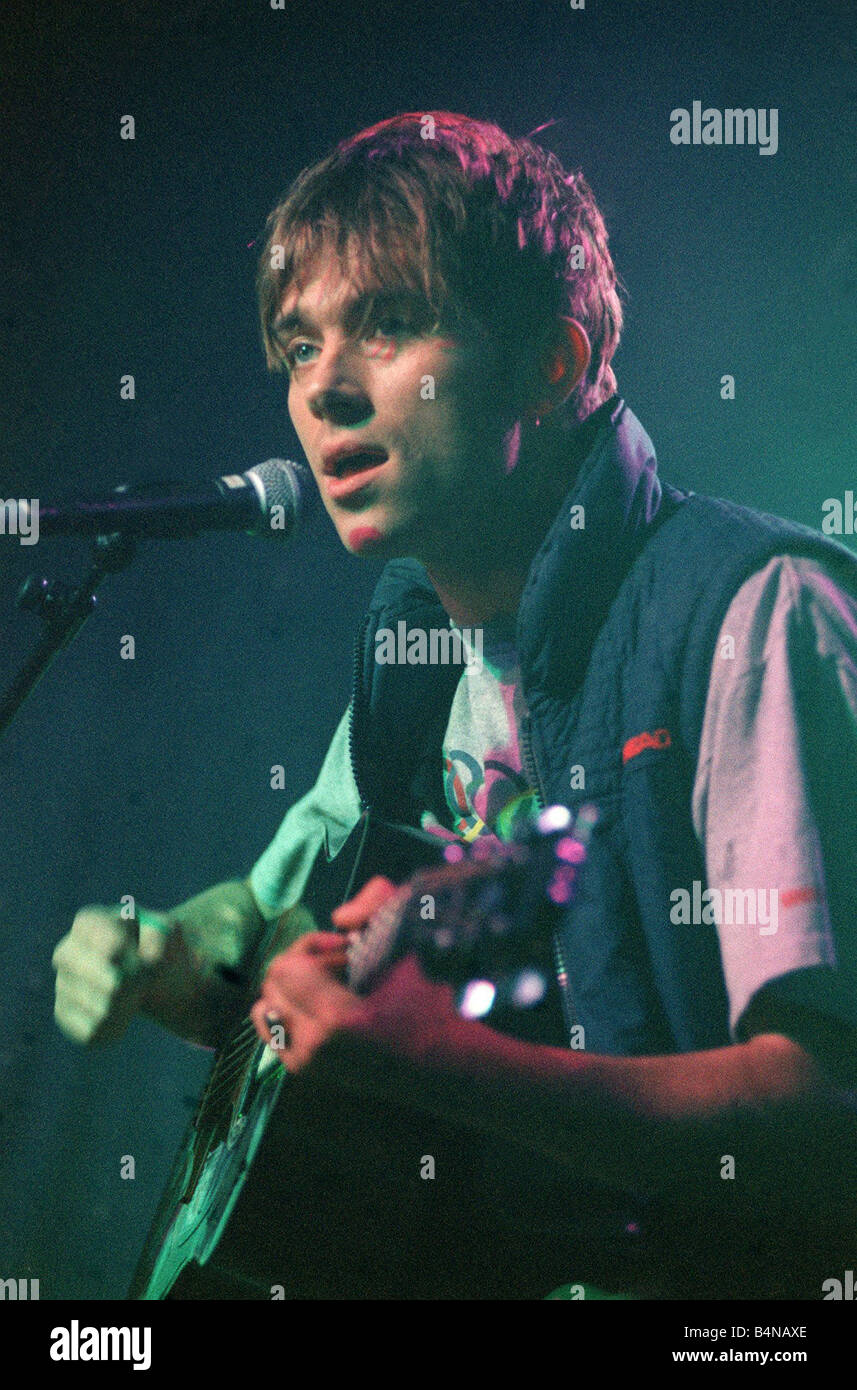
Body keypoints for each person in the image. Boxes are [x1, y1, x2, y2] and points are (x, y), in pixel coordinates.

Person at [53, 112, 857, 1299]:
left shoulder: (750, 616)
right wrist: (168, 953)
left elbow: (827, 1114)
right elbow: (275, 931)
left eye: (386, 323)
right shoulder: (415, 649)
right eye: (295, 343)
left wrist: (440, 1068)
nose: (322, 385)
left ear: (555, 358)